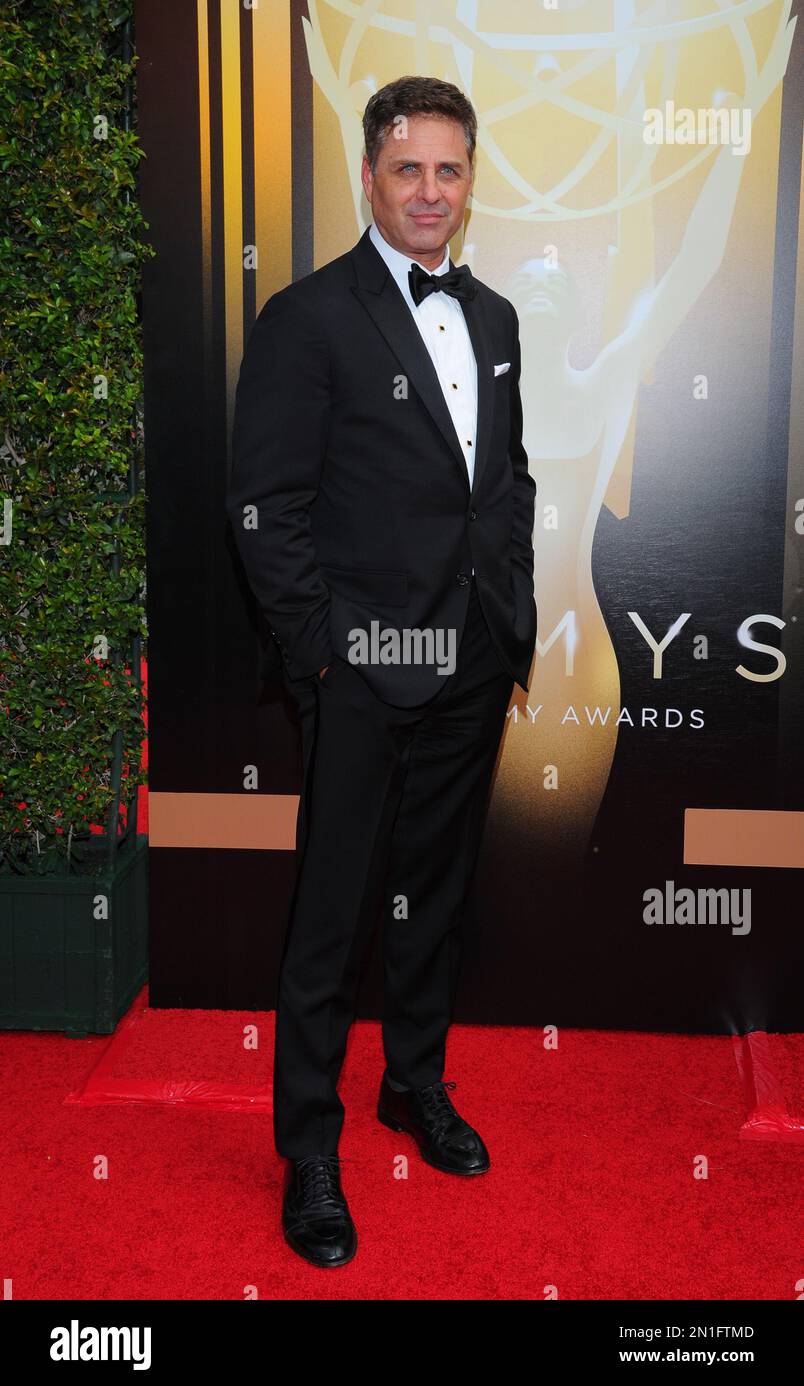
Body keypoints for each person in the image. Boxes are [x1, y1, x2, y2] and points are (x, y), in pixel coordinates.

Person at [226, 74, 536, 1268]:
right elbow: (264, 506)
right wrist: (324, 660)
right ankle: (310, 1143)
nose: (429, 190)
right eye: (407, 168)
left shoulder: (497, 318)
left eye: (449, 170)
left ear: (468, 183)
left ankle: (414, 1083)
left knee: (436, 893)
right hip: (359, 671)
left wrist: (504, 614)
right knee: (331, 915)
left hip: (468, 661)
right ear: (369, 175)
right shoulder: (309, 318)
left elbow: (503, 482)